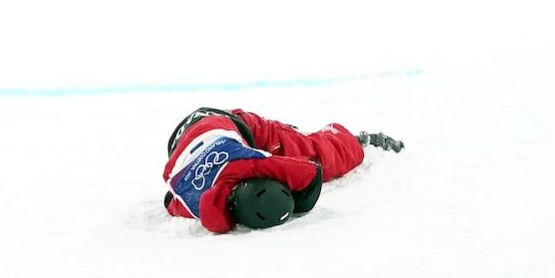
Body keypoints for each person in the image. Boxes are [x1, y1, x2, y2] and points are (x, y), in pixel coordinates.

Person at [162, 107, 404, 233]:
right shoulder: (191, 204)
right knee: (302, 151)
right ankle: (293, 134)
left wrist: (297, 198)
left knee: (311, 152)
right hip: (181, 144)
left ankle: (345, 140)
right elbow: (169, 200)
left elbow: (311, 171)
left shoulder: (251, 164)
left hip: (227, 122)